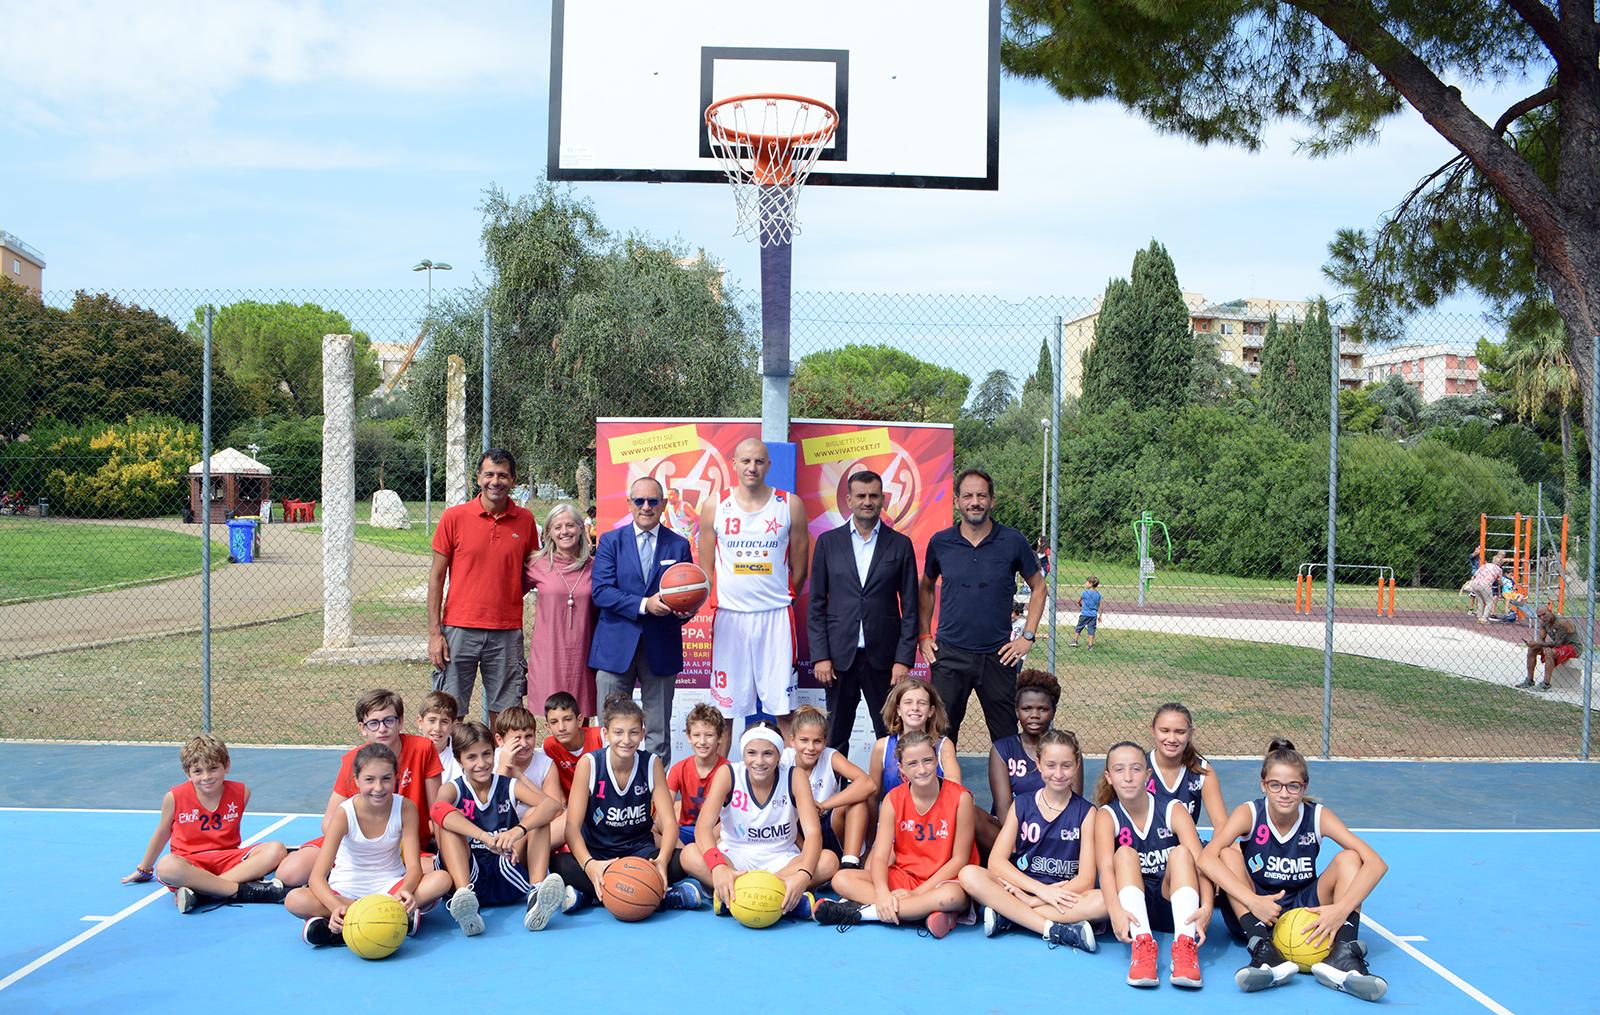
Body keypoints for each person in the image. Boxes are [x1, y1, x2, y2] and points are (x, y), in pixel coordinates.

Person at [1200, 739, 1390, 1001]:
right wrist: (1252, 901)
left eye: (1293, 786)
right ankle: (1263, 951)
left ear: (1304, 787)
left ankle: (1344, 954)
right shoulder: (1250, 813)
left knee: (1349, 858)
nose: (1284, 793)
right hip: (1258, 910)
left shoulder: (1317, 815)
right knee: (1227, 852)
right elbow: (1206, 858)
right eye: (1275, 785)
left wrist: (1341, 908)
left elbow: (1376, 863)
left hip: (1303, 908)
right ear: (1263, 784)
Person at [919, 468, 1045, 746]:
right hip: (950, 654)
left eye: (981, 495)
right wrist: (924, 636)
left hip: (998, 655)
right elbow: (926, 588)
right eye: (968, 496)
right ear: (957, 501)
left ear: (992, 500)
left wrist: (1027, 637)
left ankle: (1011, 791)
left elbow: (1039, 587)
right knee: (940, 736)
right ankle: (940, 790)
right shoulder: (941, 542)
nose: (975, 501)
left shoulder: (1012, 541)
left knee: (1007, 740)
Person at [699, 438, 811, 746]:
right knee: (724, 712)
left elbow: (800, 571)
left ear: (769, 466)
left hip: (775, 619)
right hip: (731, 620)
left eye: (759, 461)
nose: (752, 467)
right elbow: (705, 568)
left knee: (784, 710)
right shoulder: (715, 505)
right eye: (746, 461)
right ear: (733, 464)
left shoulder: (789, 505)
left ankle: (793, 787)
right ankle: (718, 788)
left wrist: (779, 598)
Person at [287, 743, 455, 946]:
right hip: (346, 890)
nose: (378, 787)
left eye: (386, 778)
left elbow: (413, 868)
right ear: (356, 780)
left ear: (396, 778)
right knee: (295, 899)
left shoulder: (405, 808)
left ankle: (346, 925)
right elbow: (317, 878)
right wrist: (334, 906)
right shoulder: (344, 813)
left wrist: (406, 890)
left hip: (390, 887)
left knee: (442, 879)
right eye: (369, 780)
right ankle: (391, 918)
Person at [813, 731, 979, 937]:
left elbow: (959, 860)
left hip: (944, 881)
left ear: (937, 760)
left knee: (951, 897)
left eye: (928, 761)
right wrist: (883, 893)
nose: (922, 769)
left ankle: (861, 913)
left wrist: (916, 893)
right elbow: (881, 856)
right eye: (913, 764)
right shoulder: (893, 799)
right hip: (905, 876)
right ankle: (923, 914)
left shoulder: (960, 798)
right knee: (841, 879)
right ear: (901, 769)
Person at [276, 689, 442, 888]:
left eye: (389, 720)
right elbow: (328, 821)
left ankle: (381, 892)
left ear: (400, 722)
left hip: (405, 846)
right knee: (289, 874)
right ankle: (339, 883)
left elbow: (437, 811)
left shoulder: (422, 749)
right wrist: (353, 848)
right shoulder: (353, 760)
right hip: (356, 847)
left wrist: (443, 849)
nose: (382, 729)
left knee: (434, 872)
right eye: (374, 723)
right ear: (363, 728)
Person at [555, 694, 703, 912]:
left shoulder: (651, 764)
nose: (626, 740)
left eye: (634, 732)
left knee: (683, 859)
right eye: (618, 732)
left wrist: (661, 861)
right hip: (600, 856)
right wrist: (589, 865)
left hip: (641, 855)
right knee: (559, 865)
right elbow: (572, 828)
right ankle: (663, 896)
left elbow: (671, 824)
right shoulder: (590, 764)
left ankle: (592, 896)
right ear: (605, 734)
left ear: (643, 733)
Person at [807, 468, 920, 754]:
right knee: (834, 735)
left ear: (882, 499)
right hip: (838, 659)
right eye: (861, 496)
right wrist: (821, 656)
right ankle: (836, 795)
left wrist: (903, 659)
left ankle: (892, 796)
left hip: (883, 659)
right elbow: (817, 603)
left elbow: (910, 608)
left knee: (890, 732)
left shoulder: (900, 545)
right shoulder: (828, 543)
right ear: (848, 499)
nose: (867, 501)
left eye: (873, 496)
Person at [958, 729, 1101, 952]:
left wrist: (1035, 901)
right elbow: (996, 862)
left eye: (1066, 765)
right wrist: (1038, 891)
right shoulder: (1023, 804)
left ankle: (1010, 916)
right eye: (1051, 765)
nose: (1059, 773)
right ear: (1039, 764)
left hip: (1062, 893)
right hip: (1021, 887)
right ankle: (1053, 929)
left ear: (1076, 766)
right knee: (969, 874)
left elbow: (1086, 879)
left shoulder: (1087, 813)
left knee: (1103, 901)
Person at [428, 449, 540, 726]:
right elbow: (436, 578)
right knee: (449, 713)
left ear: (513, 480)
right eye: (489, 474)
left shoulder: (525, 521)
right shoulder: (454, 517)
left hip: (506, 632)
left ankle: (498, 768)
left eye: (503, 475)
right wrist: (434, 634)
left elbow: (532, 573)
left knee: (505, 715)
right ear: (478, 478)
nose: (495, 481)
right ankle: (453, 770)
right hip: (458, 629)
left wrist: (507, 594)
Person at [681, 723, 836, 918]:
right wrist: (718, 866)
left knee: (828, 861)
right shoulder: (728, 773)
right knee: (689, 854)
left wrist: (803, 875)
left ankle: (732, 896)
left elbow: (813, 833)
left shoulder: (794, 776)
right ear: (743, 753)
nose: (759, 761)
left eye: (768, 754)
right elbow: (703, 828)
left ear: (779, 755)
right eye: (751, 753)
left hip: (781, 859)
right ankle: (782, 899)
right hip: (734, 857)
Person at [123, 735, 289, 913]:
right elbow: (162, 832)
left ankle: (203, 893)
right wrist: (144, 869)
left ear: (227, 766)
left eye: (213, 768)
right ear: (188, 773)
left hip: (228, 858)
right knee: (167, 866)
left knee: (276, 849)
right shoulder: (174, 797)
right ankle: (240, 891)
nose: (206, 777)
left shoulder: (242, 792)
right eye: (198, 771)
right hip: (190, 863)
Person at [591, 476, 695, 761]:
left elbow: (686, 591)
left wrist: (686, 609)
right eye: (639, 501)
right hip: (615, 648)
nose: (646, 507)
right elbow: (601, 592)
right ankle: (609, 790)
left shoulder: (678, 545)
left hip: (660, 647)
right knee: (611, 728)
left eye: (653, 501)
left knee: (658, 732)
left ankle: (655, 800)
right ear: (630, 504)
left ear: (663, 505)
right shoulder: (611, 541)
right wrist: (644, 605)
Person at [1096, 741, 1212, 990]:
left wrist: (1208, 906)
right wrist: (1115, 910)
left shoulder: (1172, 809)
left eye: (1136, 769)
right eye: (1119, 770)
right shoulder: (1107, 815)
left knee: (1182, 854)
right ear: (1108, 777)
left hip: (1173, 903)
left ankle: (1185, 945)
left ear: (1148, 775)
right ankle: (1143, 946)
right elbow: (1105, 868)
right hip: (1134, 912)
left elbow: (1201, 863)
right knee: (1124, 853)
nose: (1128, 777)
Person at [431, 721, 567, 933]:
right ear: (459, 760)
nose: (481, 763)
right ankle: (466, 902)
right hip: (471, 872)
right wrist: (484, 836)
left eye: (486, 754)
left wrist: (516, 831)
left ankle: (536, 893)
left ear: (495, 753)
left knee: (537, 816)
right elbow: (437, 810)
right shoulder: (453, 788)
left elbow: (552, 806)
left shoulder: (507, 784)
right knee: (449, 821)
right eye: (471, 757)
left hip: (505, 867)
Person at [524, 503, 600, 718]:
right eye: (557, 527)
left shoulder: (596, 566)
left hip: (583, 650)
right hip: (549, 650)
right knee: (552, 712)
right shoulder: (536, 564)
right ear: (548, 533)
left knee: (581, 712)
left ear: (580, 529)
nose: (564, 531)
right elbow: (509, 594)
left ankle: (581, 753)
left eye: (570, 525)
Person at [783, 705, 876, 869]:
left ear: (825, 742)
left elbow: (868, 784)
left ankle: (850, 863)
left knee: (858, 799)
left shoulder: (830, 755)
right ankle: (807, 861)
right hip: (797, 829)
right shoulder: (783, 759)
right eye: (804, 740)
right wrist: (808, 808)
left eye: (817, 741)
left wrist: (824, 805)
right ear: (792, 740)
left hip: (827, 823)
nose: (810, 748)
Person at [988, 669, 1081, 826]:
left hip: (1054, 830)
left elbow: (1074, 801)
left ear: (1053, 712)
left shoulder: (1067, 748)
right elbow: (1003, 806)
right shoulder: (1002, 749)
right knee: (972, 814)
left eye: (1043, 709)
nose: (1035, 715)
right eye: (1027, 708)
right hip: (1011, 830)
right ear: (1017, 711)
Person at [869, 679, 962, 801]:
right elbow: (872, 795)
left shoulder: (943, 745)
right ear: (898, 710)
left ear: (931, 711)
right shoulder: (882, 746)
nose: (915, 708)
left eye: (922, 703)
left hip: (935, 815)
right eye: (908, 702)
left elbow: (954, 787)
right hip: (894, 817)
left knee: (971, 808)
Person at [492, 706, 566, 852]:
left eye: (529, 736)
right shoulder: (490, 760)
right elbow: (488, 809)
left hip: (531, 833)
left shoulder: (545, 764)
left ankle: (525, 857)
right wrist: (503, 768)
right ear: (500, 740)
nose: (524, 744)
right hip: (497, 831)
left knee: (567, 816)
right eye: (517, 738)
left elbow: (555, 810)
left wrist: (519, 775)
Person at [1147, 702, 1230, 828]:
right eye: (1165, 731)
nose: (1171, 739)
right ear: (1152, 730)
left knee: (1231, 848)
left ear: (1190, 734)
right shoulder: (1137, 768)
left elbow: (1222, 825)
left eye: (1180, 732)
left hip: (1190, 844)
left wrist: (1211, 848)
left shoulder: (1202, 771)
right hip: (1147, 847)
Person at [666, 705, 729, 846]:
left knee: (732, 830)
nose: (702, 741)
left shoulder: (729, 770)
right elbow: (664, 813)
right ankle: (684, 854)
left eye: (709, 735)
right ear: (688, 737)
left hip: (716, 833)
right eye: (696, 735)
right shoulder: (678, 769)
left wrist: (705, 842)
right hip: (685, 831)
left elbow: (735, 816)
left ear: (720, 737)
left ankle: (696, 855)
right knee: (653, 829)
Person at [543, 691, 605, 797]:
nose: (561, 728)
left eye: (567, 719)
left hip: (603, 804)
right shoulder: (549, 747)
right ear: (547, 727)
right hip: (569, 806)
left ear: (579, 720)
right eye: (554, 722)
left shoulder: (600, 736)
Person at [1519, 602, 1580, 690]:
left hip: (1573, 647)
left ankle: (1546, 684)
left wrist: (1538, 644)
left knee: (1549, 652)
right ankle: (1529, 680)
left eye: (1544, 614)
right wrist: (1536, 645)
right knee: (1532, 650)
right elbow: (1541, 640)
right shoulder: (1544, 623)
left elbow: (1558, 643)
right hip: (1559, 646)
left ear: (1550, 611)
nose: (1542, 618)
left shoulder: (1562, 622)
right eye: (1539, 616)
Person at [416, 690, 461, 786]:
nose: (437, 728)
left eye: (444, 721)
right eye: (432, 720)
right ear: (420, 722)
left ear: (453, 725)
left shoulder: (460, 752)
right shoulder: (411, 752)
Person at [1462, 551, 1508, 624]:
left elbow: (1475, 575)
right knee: (1490, 602)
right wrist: (1502, 584)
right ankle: (1484, 619)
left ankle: (1479, 617)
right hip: (1485, 585)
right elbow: (1499, 581)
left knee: (1480, 600)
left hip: (1475, 583)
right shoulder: (1498, 569)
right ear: (1500, 563)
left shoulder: (1485, 565)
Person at [1071, 576, 1102, 649]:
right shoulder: (1098, 594)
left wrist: (1081, 605)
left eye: (1086, 582)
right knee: (1091, 630)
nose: (1085, 583)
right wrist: (1100, 616)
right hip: (1093, 615)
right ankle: (1090, 645)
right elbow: (1100, 606)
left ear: (1090, 584)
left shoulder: (1084, 593)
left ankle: (1075, 641)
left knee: (1079, 627)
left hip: (1084, 614)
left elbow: (1078, 601)